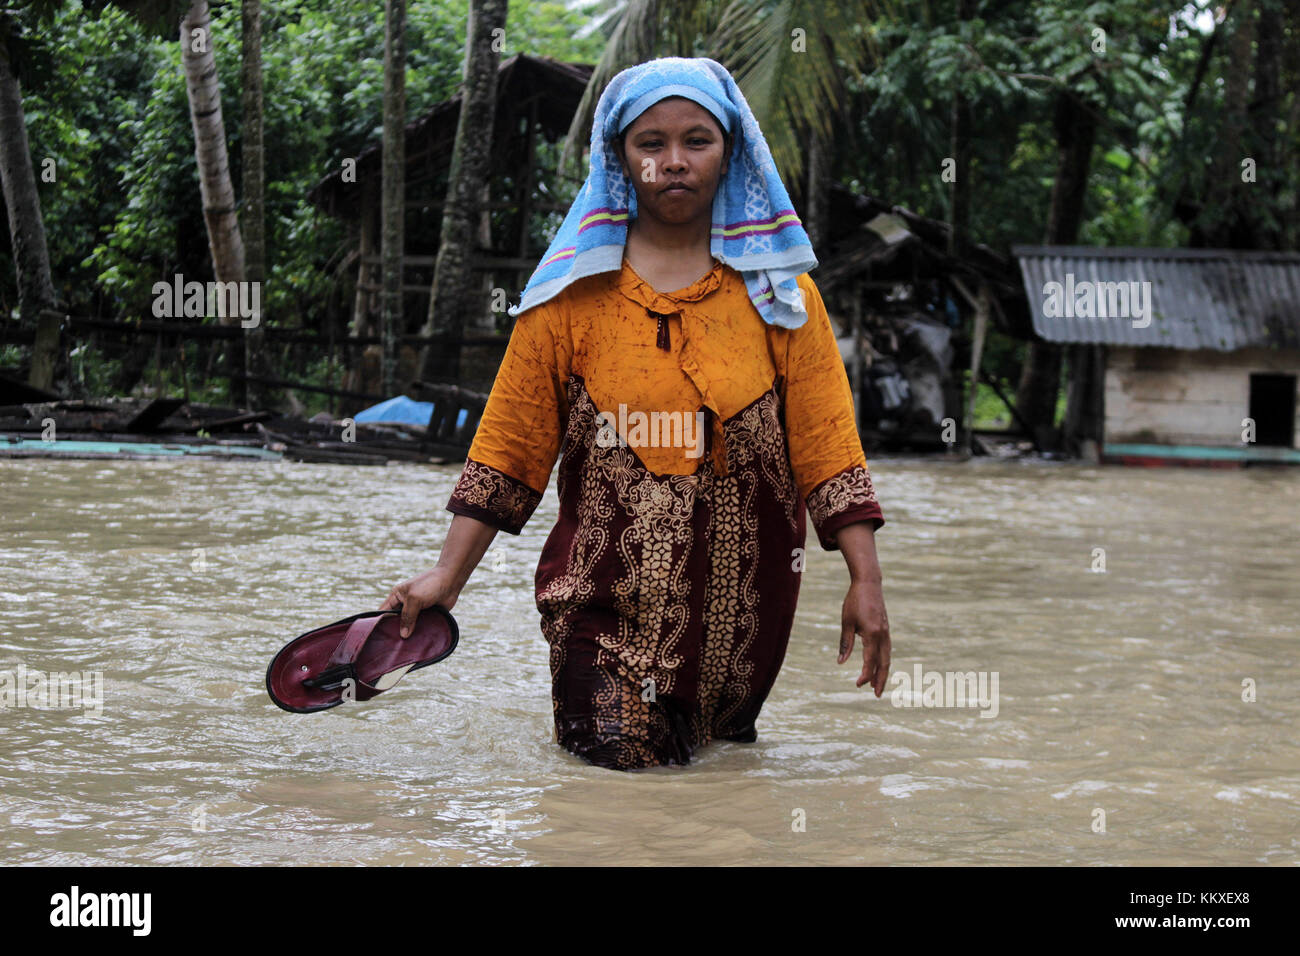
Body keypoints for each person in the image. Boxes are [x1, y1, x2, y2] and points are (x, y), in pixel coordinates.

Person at [380, 56, 891, 771]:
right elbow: (507, 450)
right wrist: (446, 579)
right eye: (650, 143)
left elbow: (828, 446)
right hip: (598, 613)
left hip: (743, 631)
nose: (673, 161)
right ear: (619, 156)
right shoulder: (567, 296)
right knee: (621, 790)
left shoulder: (783, 296)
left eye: (696, 140)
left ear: (730, 152)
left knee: (711, 806)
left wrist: (865, 581)